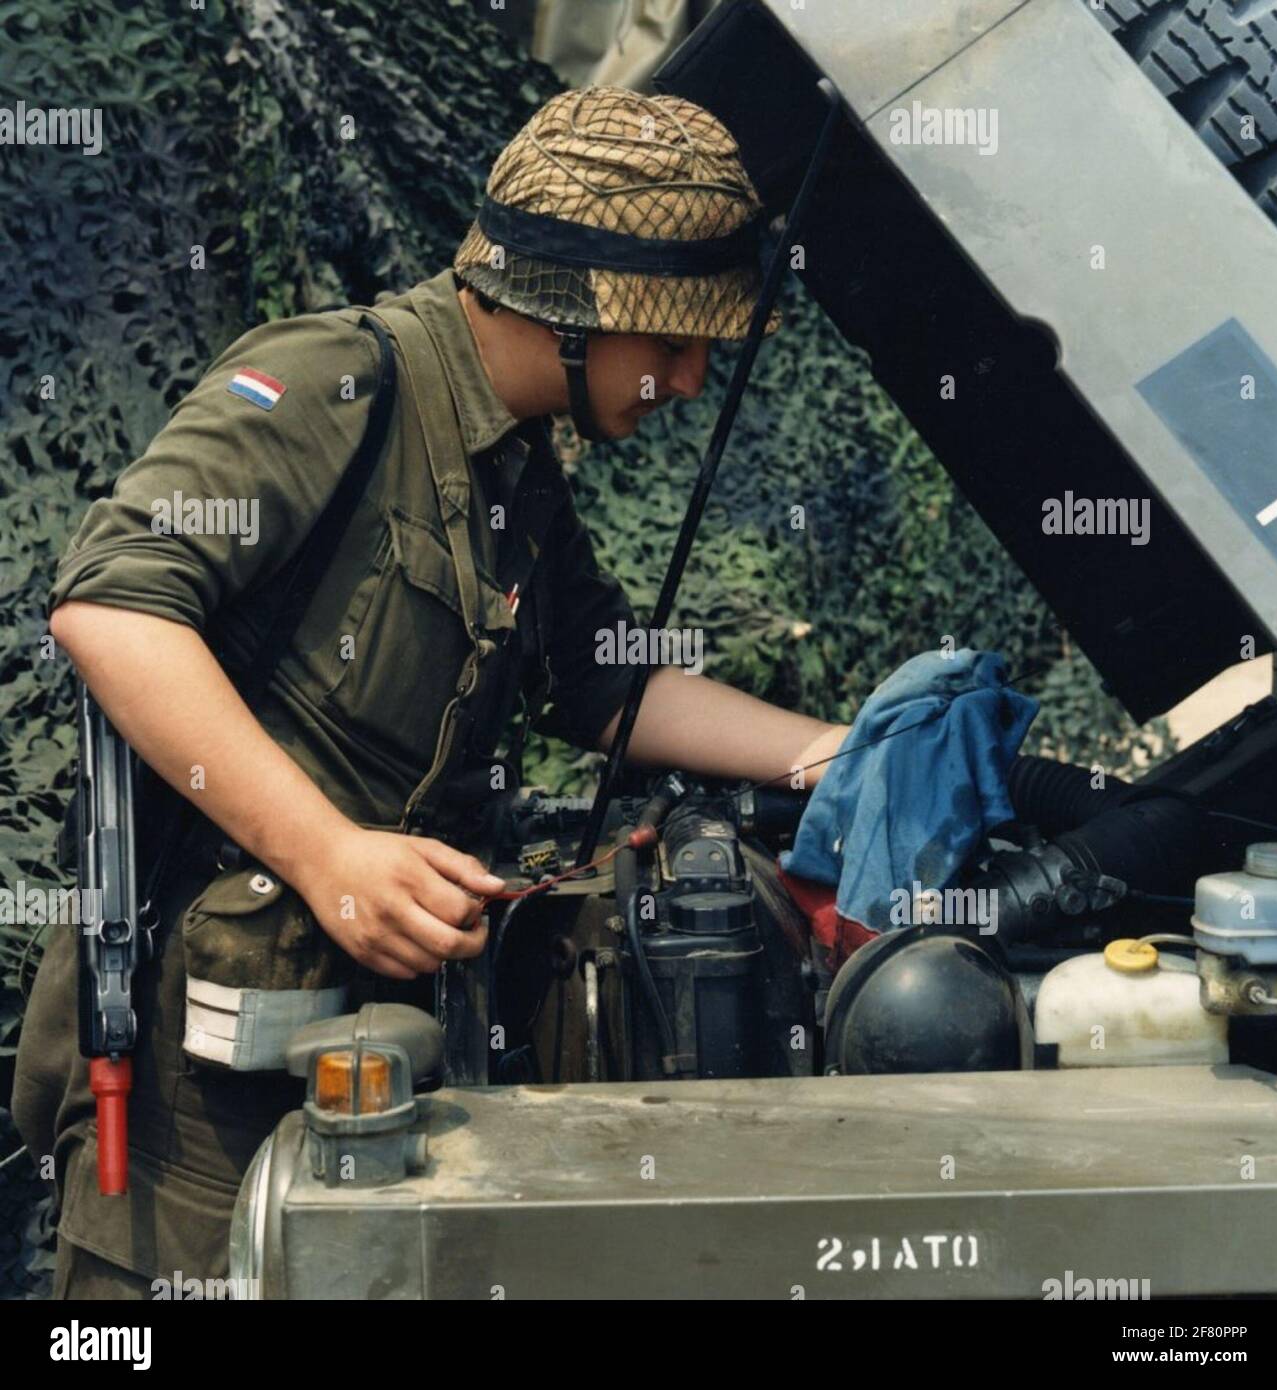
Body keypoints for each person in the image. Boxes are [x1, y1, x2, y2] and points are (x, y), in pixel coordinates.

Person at [13, 86, 849, 1298]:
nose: (690, 372)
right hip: (193, 1101)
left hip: (377, 1063)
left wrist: (833, 747)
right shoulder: (333, 386)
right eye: (670, 340)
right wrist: (328, 853)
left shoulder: (513, 459)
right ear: (569, 308)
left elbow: (605, 687)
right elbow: (110, 608)